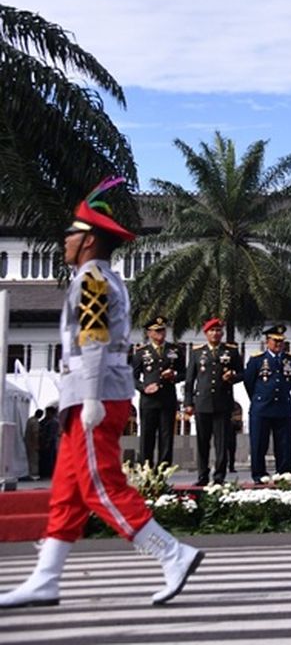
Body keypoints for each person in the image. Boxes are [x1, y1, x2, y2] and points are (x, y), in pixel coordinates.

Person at [0, 177, 202, 609]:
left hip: (95, 393)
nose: (65, 241)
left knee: (97, 482)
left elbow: (91, 338)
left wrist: (89, 395)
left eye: (71, 234)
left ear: (88, 240)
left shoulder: (91, 279)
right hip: (91, 392)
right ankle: (46, 578)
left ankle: (171, 553)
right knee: (68, 491)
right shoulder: (102, 276)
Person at [184, 318, 241, 485]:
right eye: (212, 331)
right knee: (202, 442)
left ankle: (219, 476)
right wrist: (188, 402)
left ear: (222, 333)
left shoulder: (231, 351)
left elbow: (241, 373)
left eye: (218, 331)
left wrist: (232, 377)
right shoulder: (197, 353)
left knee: (221, 442)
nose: (215, 334)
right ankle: (202, 475)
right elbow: (190, 380)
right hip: (202, 402)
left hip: (222, 402)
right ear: (206, 333)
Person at [243, 324, 291, 482]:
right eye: (275, 341)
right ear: (267, 342)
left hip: (282, 406)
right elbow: (249, 382)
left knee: (285, 443)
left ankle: (284, 473)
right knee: (259, 443)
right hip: (262, 407)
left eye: (281, 341)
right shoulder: (257, 359)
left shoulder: (290, 359)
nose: (278, 344)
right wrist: (259, 398)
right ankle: (259, 474)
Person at [131, 316, 185, 468]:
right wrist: (143, 388)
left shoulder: (174, 350)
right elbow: (132, 377)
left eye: (162, 330)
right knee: (147, 435)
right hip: (149, 400)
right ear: (149, 333)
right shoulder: (141, 352)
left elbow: (185, 373)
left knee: (166, 436)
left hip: (167, 398)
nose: (160, 333)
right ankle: (145, 469)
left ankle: (164, 470)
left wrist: (174, 376)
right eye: (156, 331)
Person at [38, 406, 59, 480]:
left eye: (48, 412)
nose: (46, 414)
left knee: (49, 458)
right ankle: (45, 472)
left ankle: (49, 473)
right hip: (45, 442)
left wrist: (47, 442)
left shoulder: (53, 422)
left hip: (50, 443)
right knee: (44, 458)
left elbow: (51, 434)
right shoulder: (45, 420)